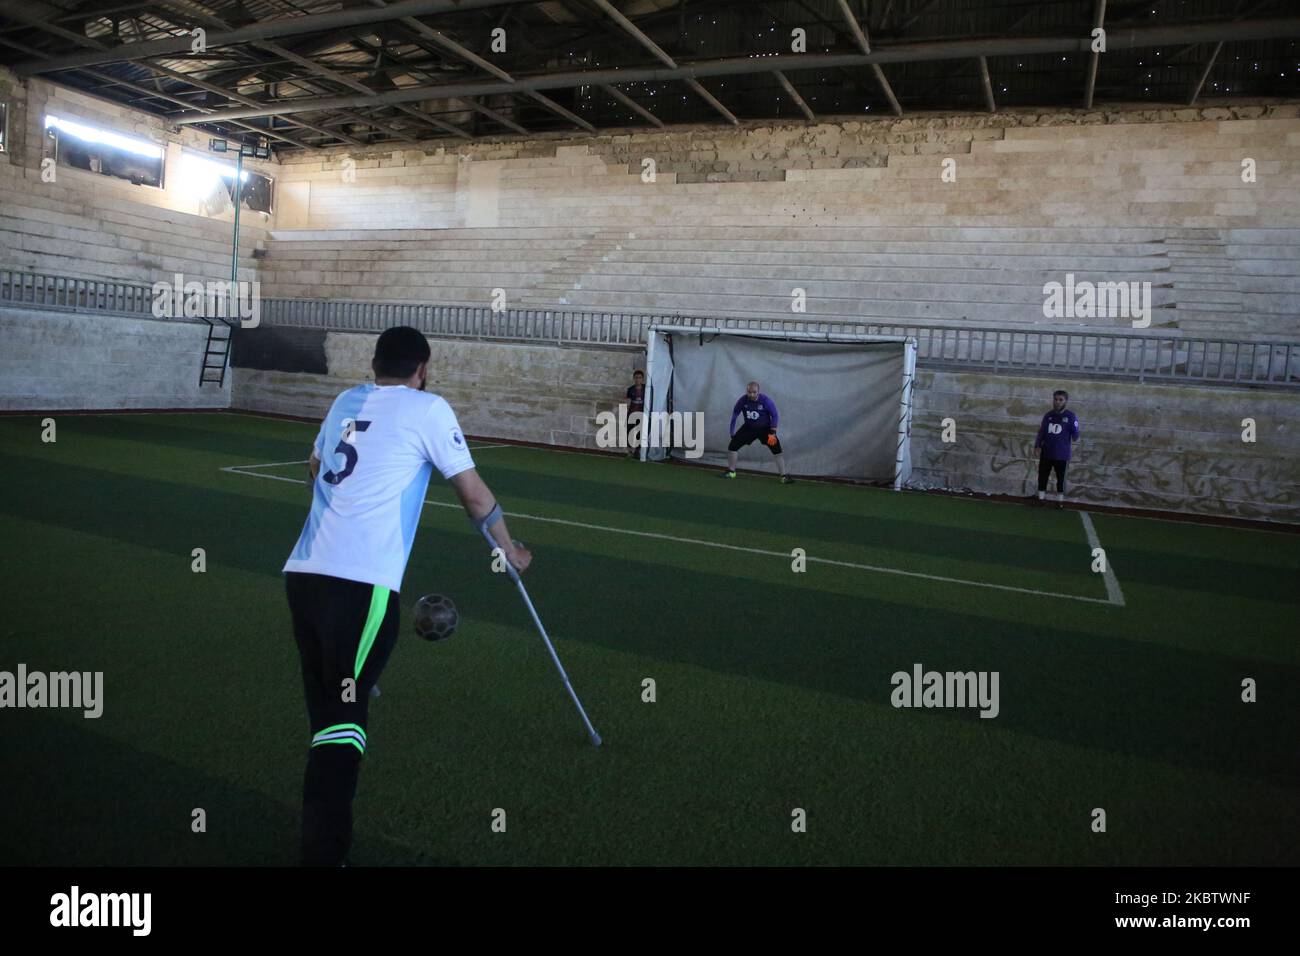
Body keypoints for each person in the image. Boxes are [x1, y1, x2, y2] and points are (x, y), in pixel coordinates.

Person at [283, 326, 531, 866]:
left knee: (329, 704)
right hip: (359, 584)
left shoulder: (344, 400)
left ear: (375, 364)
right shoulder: (428, 408)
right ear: (423, 367)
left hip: (303, 576)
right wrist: (509, 550)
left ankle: (358, 683)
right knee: (340, 730)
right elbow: (473, 495)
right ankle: (323, 856)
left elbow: (313, 470)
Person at [722, 380, 793, 483]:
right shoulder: (742, 400)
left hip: (765, 429)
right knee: (732, 446)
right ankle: (731, 472)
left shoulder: (766, 401)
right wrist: (732, 432)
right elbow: (735, 414)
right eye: (749, 392)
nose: (751, 394)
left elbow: (775, 415)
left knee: (777, 450)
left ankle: (783, 476)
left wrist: (773, 432)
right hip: (749, 428)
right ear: (747, 391)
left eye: (754, 392)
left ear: (758, 392)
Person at [1033, 389, 1080, 504]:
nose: (1057, 402)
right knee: (1043, 476)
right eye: (1055, 399)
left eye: (1060, 400)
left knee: (1061, 479)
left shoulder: (1070, 416)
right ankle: (1041, 499)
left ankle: (1060, 501)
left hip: (1062, 455)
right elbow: (1041, 432)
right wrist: (1037, 445)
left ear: (1065, 401)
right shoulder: (1048, 415)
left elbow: (1076, 435)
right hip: (1047, 452)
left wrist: (1074, 432)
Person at [625, 370, 646, 457]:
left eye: (640, 378)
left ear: (642, 379)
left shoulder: (646, 389)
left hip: (642, 414)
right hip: (632, 413)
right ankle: (629, 450)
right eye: (636, 378)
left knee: (640, 432)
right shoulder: (630, 389)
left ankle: (638, 450)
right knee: (629, 431)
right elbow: (627, 401)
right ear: (634, 379)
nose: (638, 380)